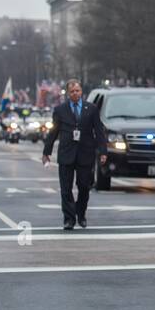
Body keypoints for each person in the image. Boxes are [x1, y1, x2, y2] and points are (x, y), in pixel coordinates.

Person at [42, 79, 107, 230]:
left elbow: (98, 131)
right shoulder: (60, 110)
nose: (75, 93)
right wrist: (47, 152)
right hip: (66, 154)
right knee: (66, 189)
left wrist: (103, 151)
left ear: (81, 92)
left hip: (85, 153)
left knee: (84, 186)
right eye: (72, 91)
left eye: (77, 91)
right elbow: (53, 132)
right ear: (68, 94)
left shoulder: (91, 109)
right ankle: (69, 219)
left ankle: (81, 213)